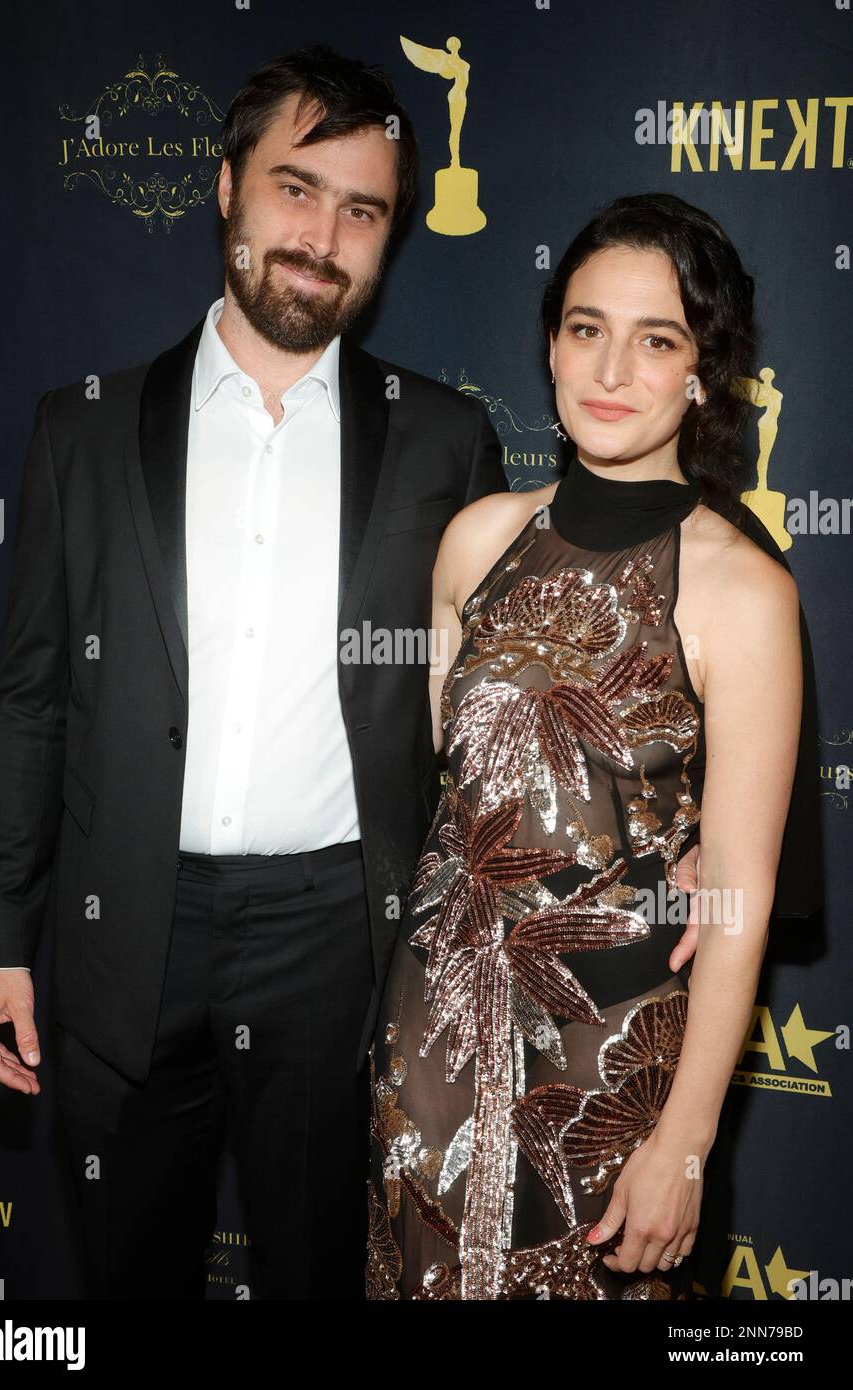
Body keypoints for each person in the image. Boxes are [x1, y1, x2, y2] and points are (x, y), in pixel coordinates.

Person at [0, 45, 520, 1301]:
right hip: (125, 929)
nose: (323, 236)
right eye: (295, 188)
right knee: (125, 1272)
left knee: (326, 1271)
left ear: (389, 239)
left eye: (361, 210)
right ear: (224, 189)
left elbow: (504, 707)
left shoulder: (445, 440)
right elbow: (33, 698)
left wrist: (674, 838)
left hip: (339, 941)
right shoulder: (83, 426)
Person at [365, 192, 820, 1300]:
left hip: (607, 1076)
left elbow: (739, 897)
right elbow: (452, 792)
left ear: (702, 369)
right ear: (551, 345)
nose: (610, 367)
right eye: (584, 327)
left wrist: (685, 1141)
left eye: (655, 338)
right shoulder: (476, 541)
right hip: (428, 1052)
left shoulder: (742, 589)